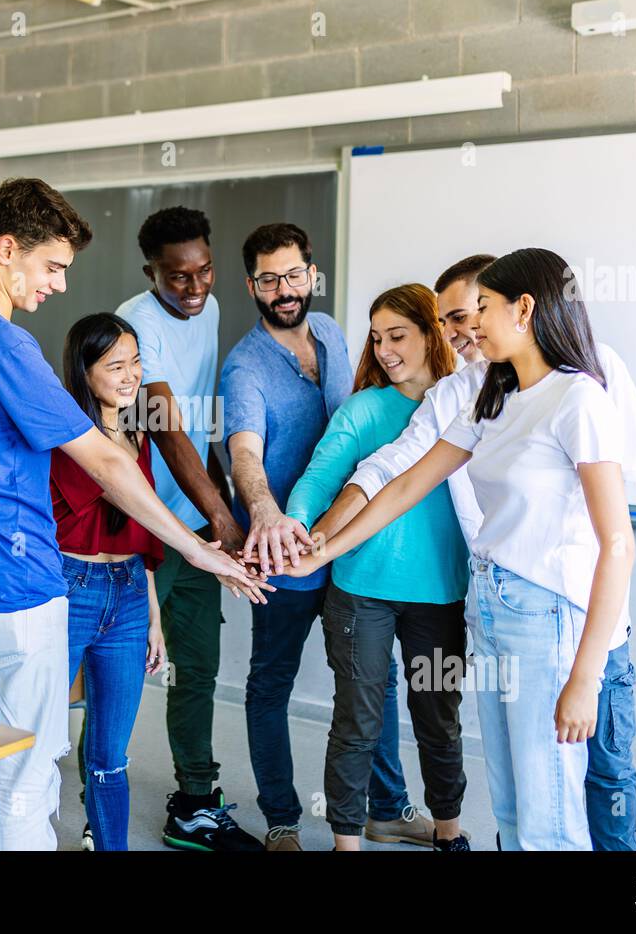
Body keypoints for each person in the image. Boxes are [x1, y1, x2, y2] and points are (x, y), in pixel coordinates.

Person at [0, 178, 263, 851]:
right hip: (16, 588)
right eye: (52, 268)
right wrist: (196, 547)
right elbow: (105, 463)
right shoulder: (5, 345)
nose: (59, 286)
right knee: (25, 774)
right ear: (7, 250)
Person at [320, 253, 636, 850]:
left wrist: (587, 672)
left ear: (521, 309)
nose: (464, 331)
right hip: (494, 607)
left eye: (477, 312)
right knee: (517, 808)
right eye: (451, 321)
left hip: (557, 612)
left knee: (573, 798)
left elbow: (620, 536)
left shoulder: (583, 393)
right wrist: (323, 548)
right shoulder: (486, 390)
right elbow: (404, 477)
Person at [284, 283, 472, 851]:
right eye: (377, 338)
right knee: (358, 719)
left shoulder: (469, 401)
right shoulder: (364, 407)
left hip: (440, 591)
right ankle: (348, 842)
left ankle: (448, 833)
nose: (385, 350)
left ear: (433, 334)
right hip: (361, 591)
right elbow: (322, 477)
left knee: (437, 718)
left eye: (398, 336)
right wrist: (295, 523)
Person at [116, 207, 263, 851]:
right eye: (178, 277)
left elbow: (202, 426)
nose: (196, 286)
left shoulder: (211, 307)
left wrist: (222, 509)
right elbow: (168, 426)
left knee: (196, 668)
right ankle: (104, 801)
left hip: (197, 518)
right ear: (151, 272)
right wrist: (225, 520)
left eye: (204, 270)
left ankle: (196, 802)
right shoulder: (137, 324)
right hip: (143, 524)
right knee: (124, 668)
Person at [220, 222, 356, 850]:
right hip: (285, 555)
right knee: (269, 685)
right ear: (252, 284)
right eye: (269, 279)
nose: (284, 289)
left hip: (351, 545)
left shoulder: (332, 334)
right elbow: (243, 451)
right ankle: (281, 819)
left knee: (364, 681)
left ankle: (383, 805)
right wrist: (266, 513)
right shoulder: (245, 365)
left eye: (294, 274)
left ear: (312, 274)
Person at [51, 313, 172, 852]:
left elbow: (142, 530)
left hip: (125, 591)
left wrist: (153, 614)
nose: (130, 376)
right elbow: (106, 489)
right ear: (85, 371)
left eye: (136, 362)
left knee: (110, 756)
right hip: (69, 586)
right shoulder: (66, 433)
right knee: (33, 740)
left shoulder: (136, 430)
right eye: (115, 366)